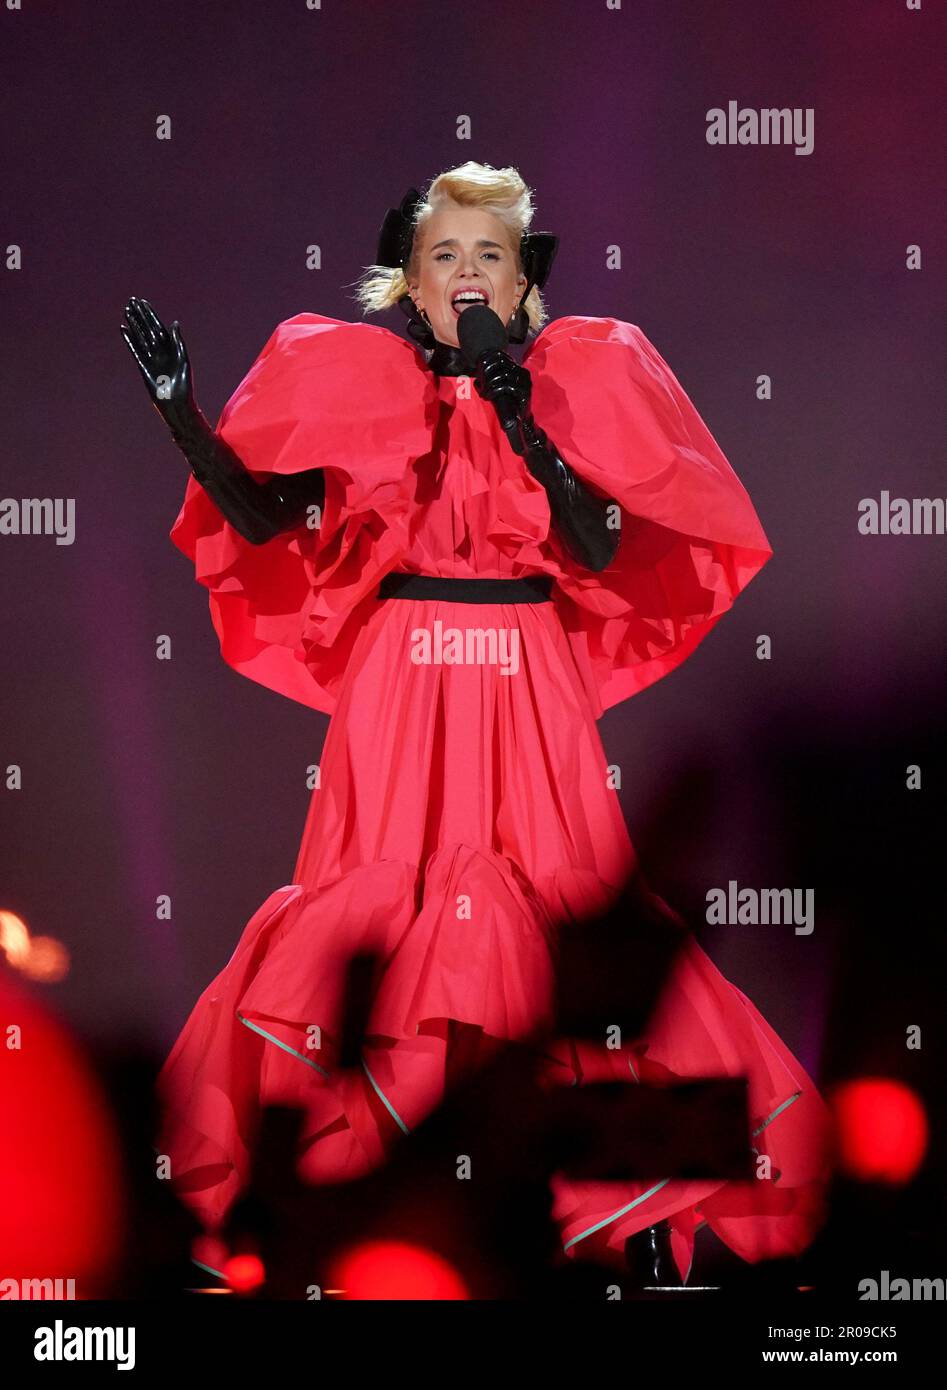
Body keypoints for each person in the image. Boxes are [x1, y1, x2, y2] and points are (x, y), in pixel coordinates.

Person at [122, 160, 831, 1286]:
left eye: (488, 255)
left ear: (521, 282)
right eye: (444, 253)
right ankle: (355, 1199)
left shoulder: (568, 384)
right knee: (386, 908)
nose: (466, 272)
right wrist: (183, 418)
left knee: (555, 906)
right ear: (407, 278)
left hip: (524, 674)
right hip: (402, 682)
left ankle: (621, 1208)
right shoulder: (358, 395)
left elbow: (597, 544)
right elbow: (264, 517)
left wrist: (518, 413)